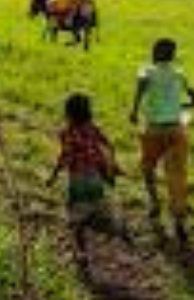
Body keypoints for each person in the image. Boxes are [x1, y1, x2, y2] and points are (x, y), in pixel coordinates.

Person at [129, 38, 194, 246]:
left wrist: (134, 110)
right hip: (177, 129)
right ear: (172, 56)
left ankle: (154, 203)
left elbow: (141, 86)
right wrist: (180, 106)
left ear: (154, 54)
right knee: (177, 177)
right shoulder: (180, 73)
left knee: (147, 167)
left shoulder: (146, 70)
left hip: (153, 129)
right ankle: (179, 222)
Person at [47, 93, 131, 263]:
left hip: (78, 181)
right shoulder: (93, 129)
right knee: (98, 206)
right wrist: (111, 168)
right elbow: (107, 146)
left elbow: (65, 157)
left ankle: (81, 252)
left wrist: (53, 175)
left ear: (68, 113)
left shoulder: (67, 133)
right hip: (95, 178)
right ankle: (117, 229)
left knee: (76, 218)